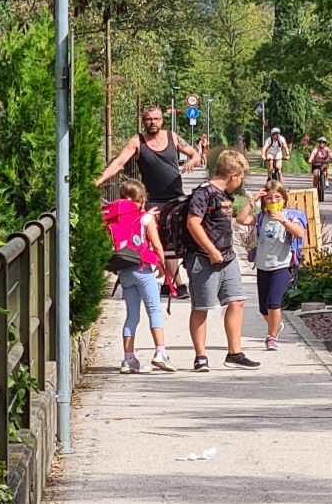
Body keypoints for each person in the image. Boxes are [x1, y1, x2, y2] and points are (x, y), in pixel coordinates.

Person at [95, 105, 202, 297]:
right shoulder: (138, 141)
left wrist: (192, 160)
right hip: (152, 200)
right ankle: (175, 284)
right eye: (149, 119)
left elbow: (195, 154)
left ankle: (169, 284)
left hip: (175, 198)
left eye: (156, 119)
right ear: (143, 121)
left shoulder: (172, 137)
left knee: (175, 242)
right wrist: (99, 180)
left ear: (162, 120)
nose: (153, 122)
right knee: (157, 240)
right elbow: (119, 163)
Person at [184, 149, 261, 372]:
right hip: (203, 259)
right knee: (202, 307)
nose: (240, 181)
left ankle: (234, 353)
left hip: (228, 258)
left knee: (237, 301)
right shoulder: (203, 193)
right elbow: (193, 223)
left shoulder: (225, 194)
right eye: (241, 177)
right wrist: (211, 250)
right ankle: (200, 356)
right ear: (233, 175)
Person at [114, 179, 176, 374]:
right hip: (143, 269)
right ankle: (161, 353)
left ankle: (128, 359)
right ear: (141, 199)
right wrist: (162, 265)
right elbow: (156, 245)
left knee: (132, 315)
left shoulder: (116, 218)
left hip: (124, 271)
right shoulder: (145, 219)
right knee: (154, 311)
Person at [236, 180, 306, 351]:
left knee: (274, 303)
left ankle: (271, 337)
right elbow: (241, 219)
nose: (273, 201)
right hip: (263, 266)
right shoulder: (261, 217)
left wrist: (284, 221)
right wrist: (252, 200)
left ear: (284, 199)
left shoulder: (291, 216)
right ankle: (276, 325)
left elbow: (299, 233)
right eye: (269, 198)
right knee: (263, 308)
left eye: (277, 197)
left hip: (281, 266)